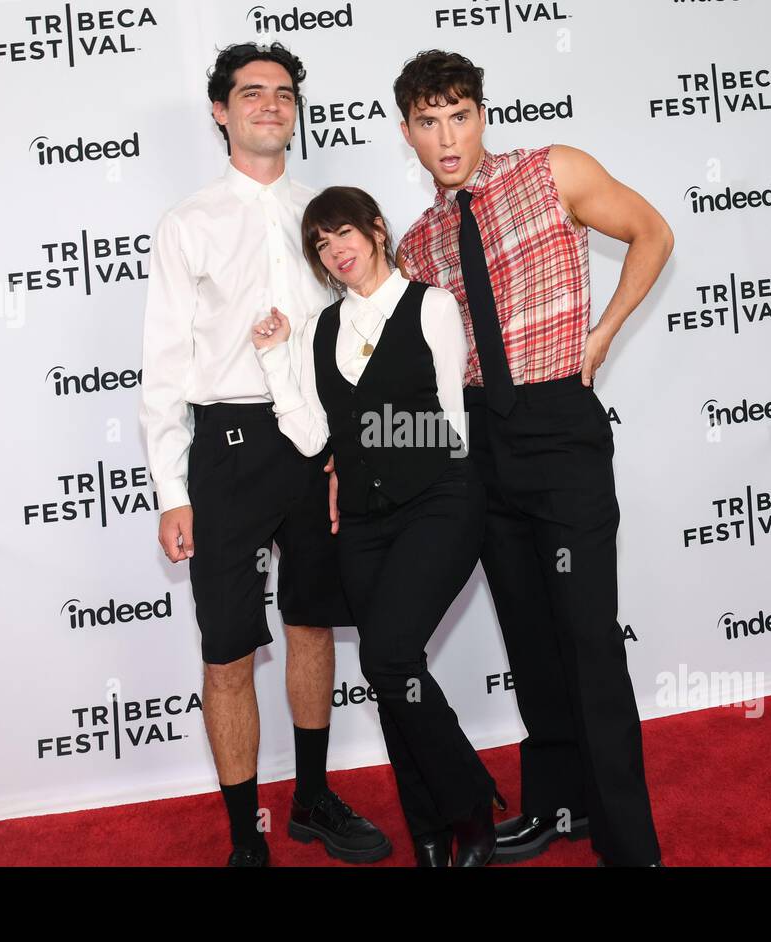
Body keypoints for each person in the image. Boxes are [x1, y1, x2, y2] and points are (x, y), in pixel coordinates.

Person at [393, 49, 675, 866]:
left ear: (483, 113)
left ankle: (630, 847)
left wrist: (605, 333)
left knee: (589, 638)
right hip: (483, 443)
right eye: (428, 122)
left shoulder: (554, 171)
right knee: (529, 636)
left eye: (460, 115)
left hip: (558, 428)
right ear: (408, 132)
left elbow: (652, 233)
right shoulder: (419, 245)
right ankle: (560, 808)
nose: (447, 137)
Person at [139, 41, 390, 867]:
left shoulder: (329, 213)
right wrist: (171, 489)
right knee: (227, 649)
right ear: (221, 110)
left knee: (313, 624)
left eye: (283, 93)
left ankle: (313, 799)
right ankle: (245, 833)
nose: (270, 105)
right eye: (252, 93)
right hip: (227, 451)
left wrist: (352, 448)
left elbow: (365, 336)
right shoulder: (188, 224)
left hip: (315, 445)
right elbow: (166, 366)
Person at [250, 186, 499, 866]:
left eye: (344, 233)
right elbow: (310, 437)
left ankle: (471, 808)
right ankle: (428, 828)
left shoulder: (431, 305)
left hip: (438, 504)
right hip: (360, 524)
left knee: (388, 658)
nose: (336, 249)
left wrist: (382, 447)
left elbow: (449, 416)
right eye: (322, 244)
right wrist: (274, 358)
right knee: (394, 671)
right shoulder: (321, 329)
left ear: (377, 230)